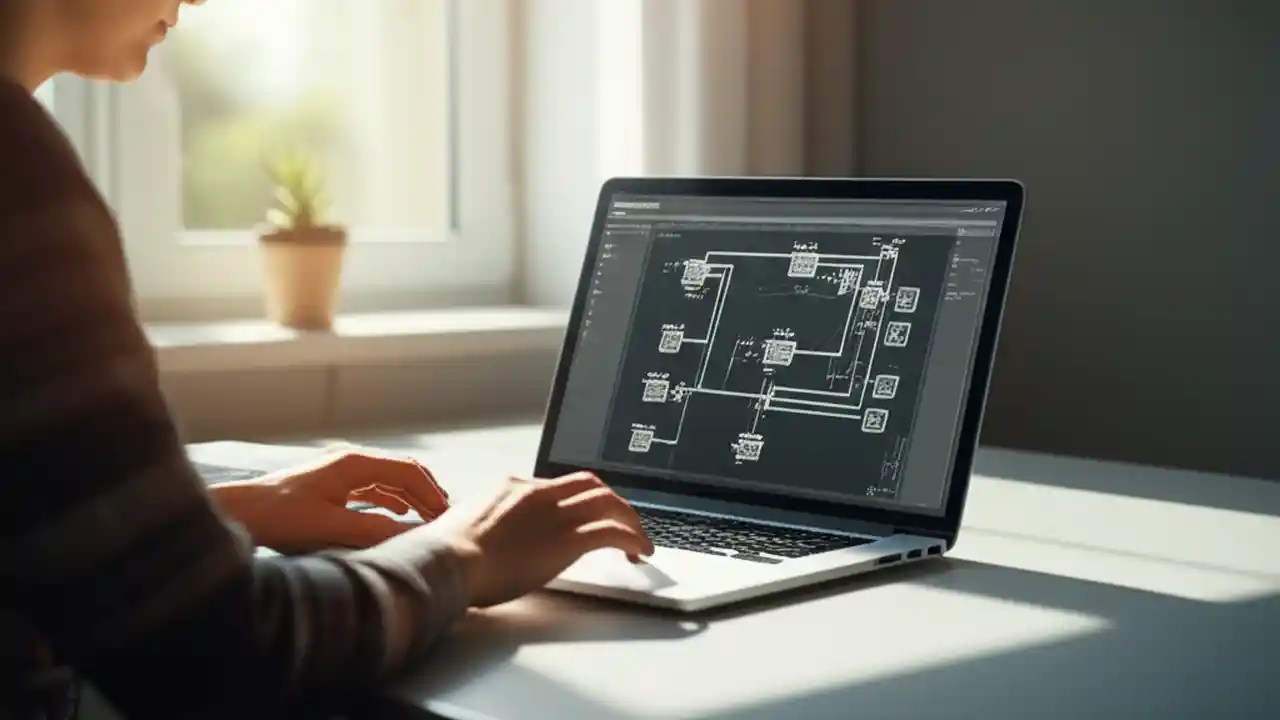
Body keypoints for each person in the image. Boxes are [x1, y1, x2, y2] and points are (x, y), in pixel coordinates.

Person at [0, 1, 654, 717]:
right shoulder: (17, 172)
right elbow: (218, 654)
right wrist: (465, 554)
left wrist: (234, 511)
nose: (197, 1)